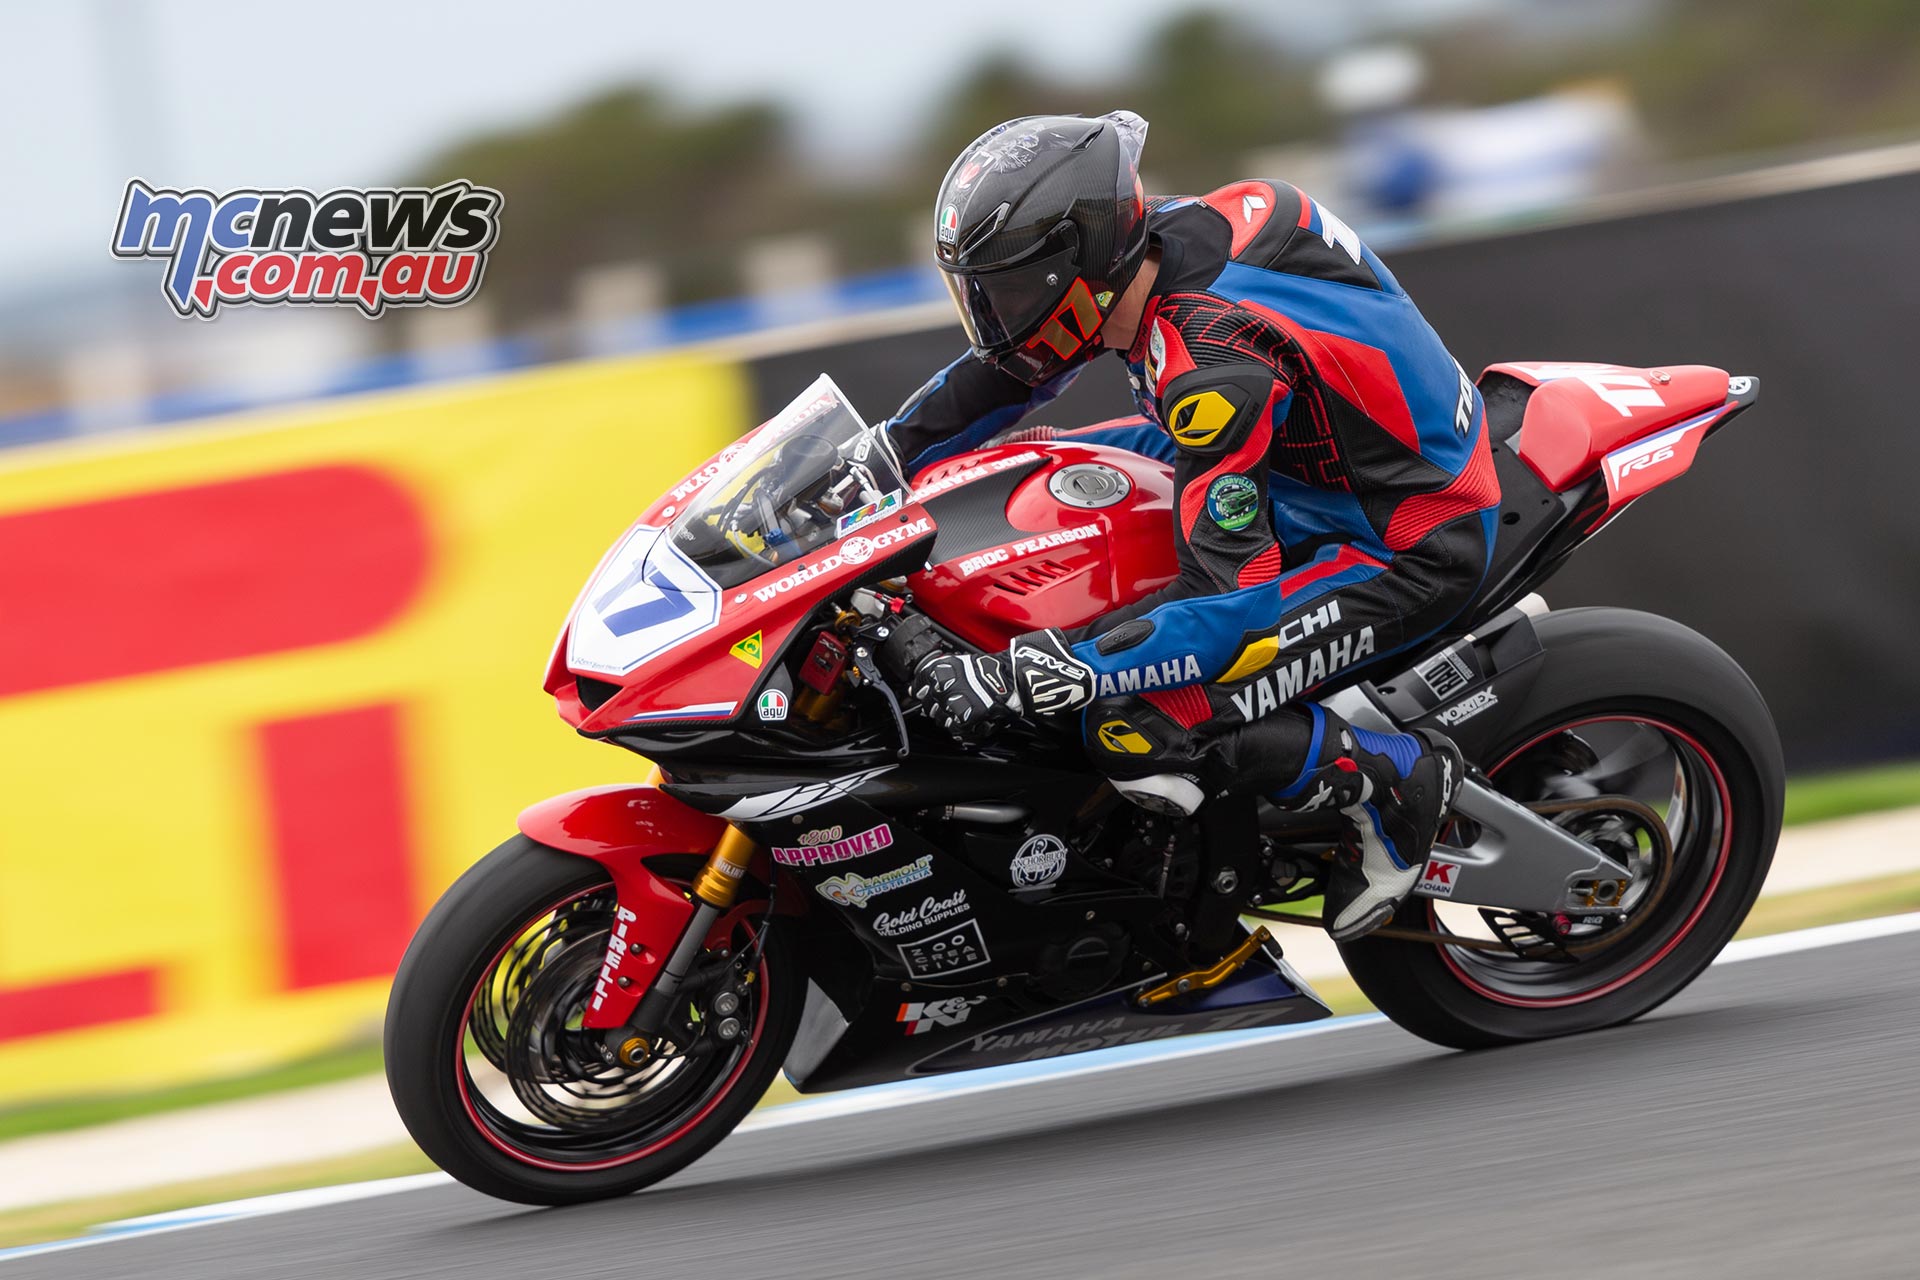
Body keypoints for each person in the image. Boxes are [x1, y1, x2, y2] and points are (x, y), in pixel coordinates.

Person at [899, 112, 1496, 941]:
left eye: (1006, 291)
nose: (993, 317)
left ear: (1081, 263)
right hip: (1298, 472)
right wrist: (881, 459)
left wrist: (1027, 672)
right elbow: (1000, 381)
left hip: (1394, 542)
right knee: (1023, 473)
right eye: (979, 293)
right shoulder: (1158, 242)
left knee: (1120, 715)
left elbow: (1229, 599)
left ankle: (1397, 779)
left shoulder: (1210, 366)